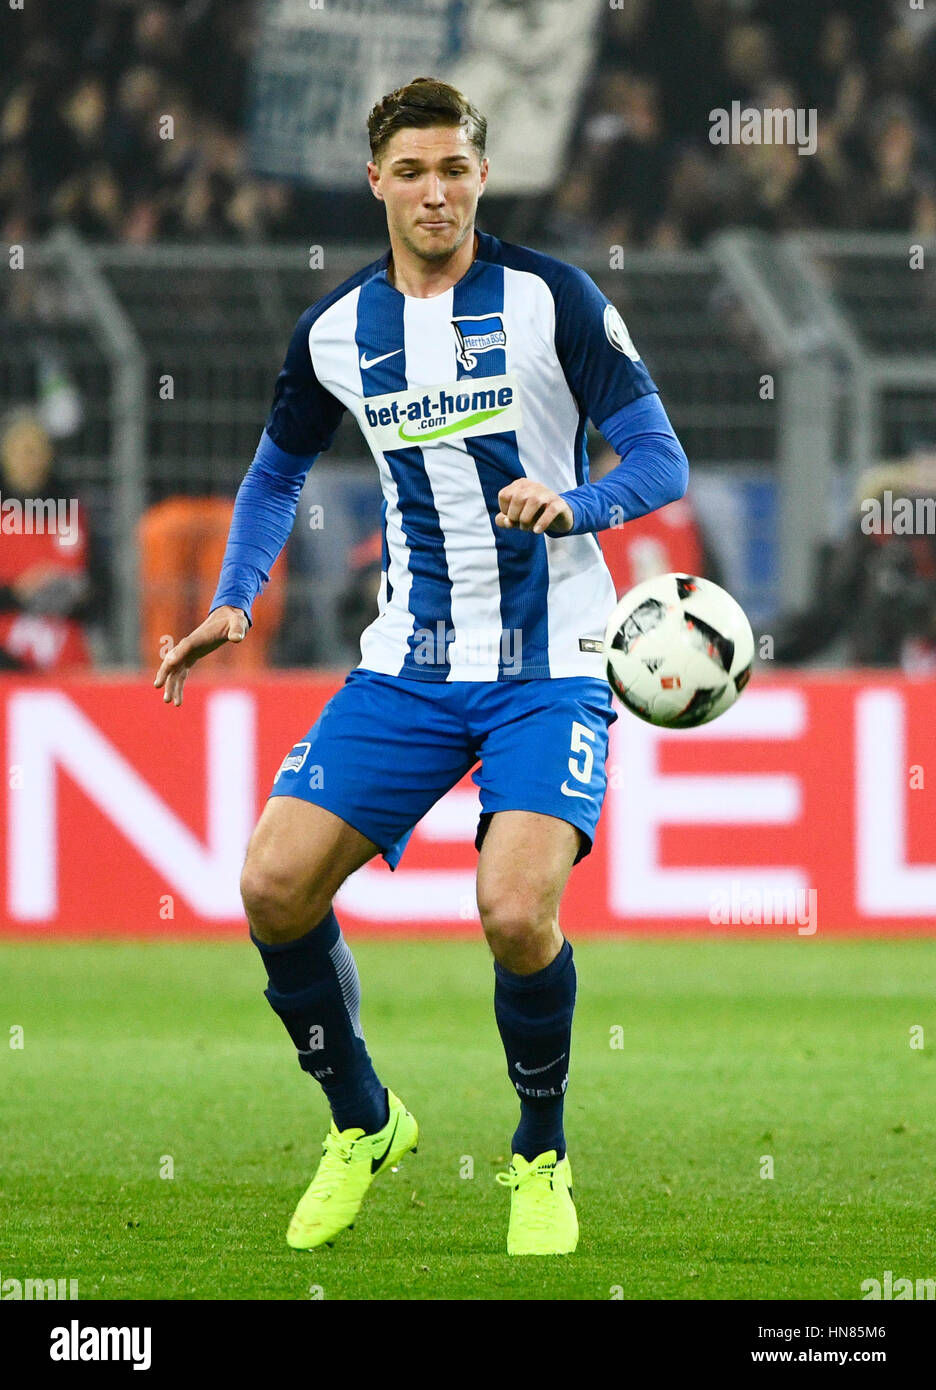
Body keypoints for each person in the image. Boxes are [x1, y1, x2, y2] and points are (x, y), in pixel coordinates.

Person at [154, 77, 688, 1257]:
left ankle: (538, 1153)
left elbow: (661, 456)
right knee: (272, 886)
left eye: (455, 168)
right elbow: (275, 470)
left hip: (551, 660)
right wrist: (235, 600)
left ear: (482, 175)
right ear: (376, 183)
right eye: (413, 171)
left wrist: (579, 502)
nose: (436, 190)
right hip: (407, 664)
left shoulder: (553, 297)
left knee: (511, 909)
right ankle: (364, 1121)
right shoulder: (337, 330)